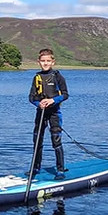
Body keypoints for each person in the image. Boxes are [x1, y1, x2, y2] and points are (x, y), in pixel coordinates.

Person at [28, 48, 69, 179]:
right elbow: (31, 97)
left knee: (56, 141)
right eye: (43, 61)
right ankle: (35, 168)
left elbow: (65, 95)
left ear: (52, 62)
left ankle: (60, 170)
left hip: (54, 113)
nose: (45, 63)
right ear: (38, 62)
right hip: (41, 113)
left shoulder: (57, 76)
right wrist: (38, 104)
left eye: (48, 61)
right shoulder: (36, 78)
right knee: (37, 140)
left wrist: (52, 100)